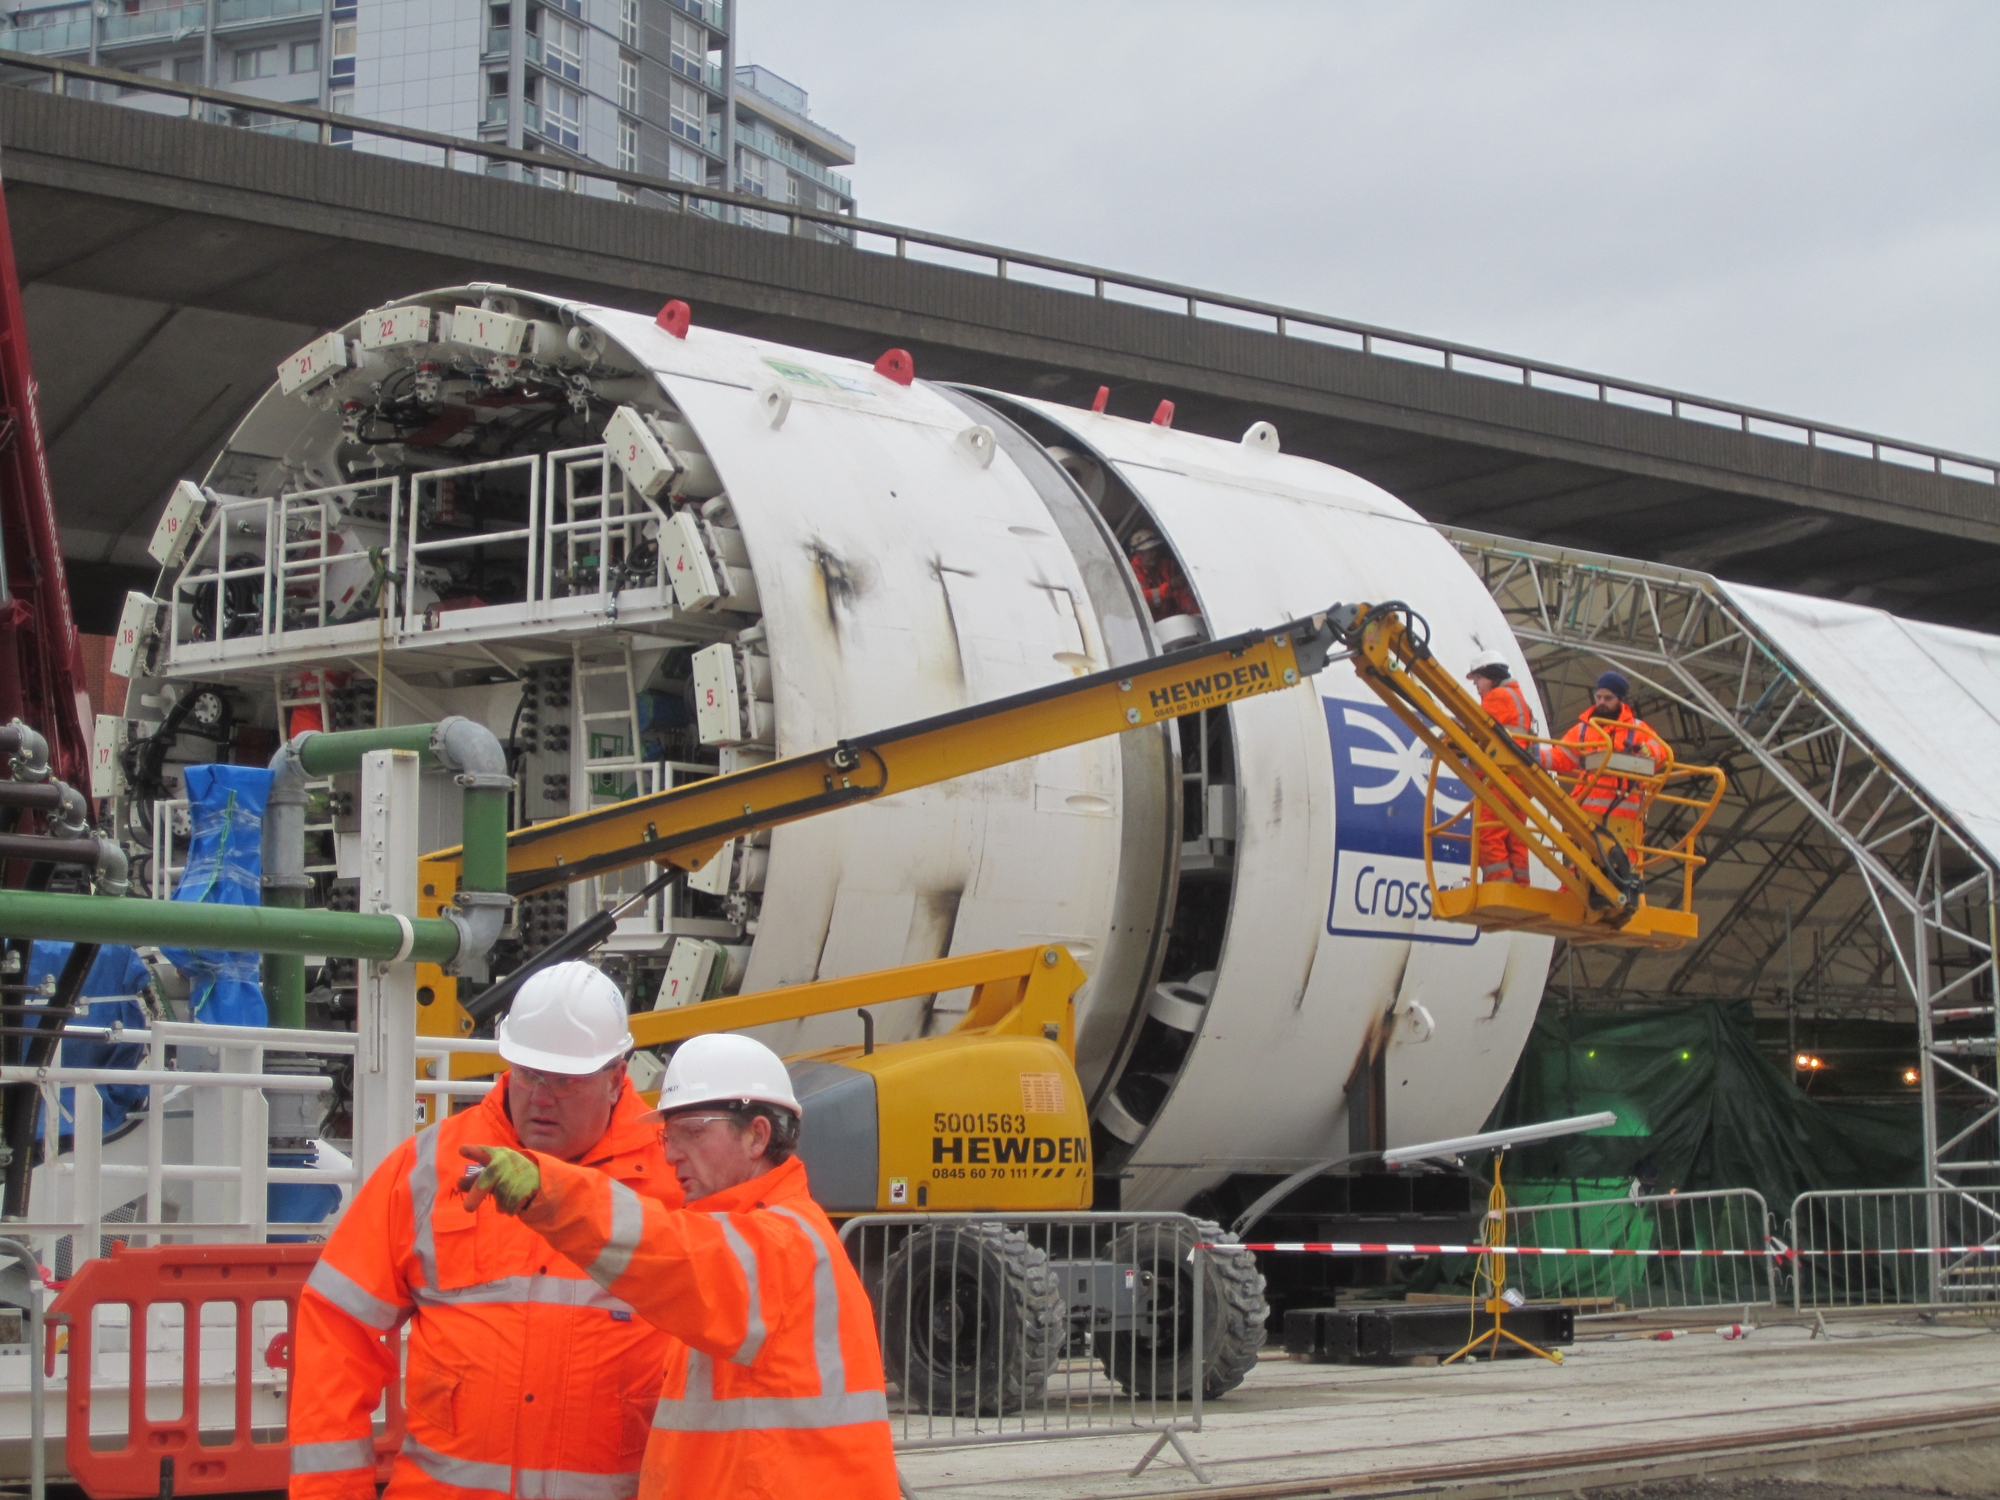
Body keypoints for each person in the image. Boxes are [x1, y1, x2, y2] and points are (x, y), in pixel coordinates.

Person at [289, 963, 680, 1500]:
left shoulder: (675, 1182)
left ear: (617, 1076)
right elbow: (338, 1327)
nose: (542, 1097)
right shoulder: (431, 1166)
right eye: (528, 1074)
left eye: (565, 1080)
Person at [457, 1033, 900, 1500]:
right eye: (668, 1135)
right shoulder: (766, 1234)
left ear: (757, 1135)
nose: (669, 1154)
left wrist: (550, 1191)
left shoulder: (781, 1244)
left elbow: (672, 1253)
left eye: (693, 1131)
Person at [1541, 670, 1673, 849]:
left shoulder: (1637, 729)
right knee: (1579, 869)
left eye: (1608, 698)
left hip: (1624, 820)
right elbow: (1560, 758)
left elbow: (1664, 753)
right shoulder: (1583, 730)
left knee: (1619, 871)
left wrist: (1649, 751)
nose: (1601, 702)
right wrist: (1532, 753)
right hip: (1586, 814)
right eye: (1599, 697)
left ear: (1620, 700)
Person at [1464, 652, 1537, 885]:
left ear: (1491, 676)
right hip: (1518, 780)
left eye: (1478, 680)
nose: (1476, 686)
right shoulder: (1518, 698)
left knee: (1489, 833)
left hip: (1500, 779)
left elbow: (1479, 732)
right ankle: (1519, 887)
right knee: (1515, 838)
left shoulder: (1497, 697)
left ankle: (1500, 887)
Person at [1127, 528, 1199, 621]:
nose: (1155, 553)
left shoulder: (1166, 566)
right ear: (1139, 554)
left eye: (1155, 550)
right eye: (1150, 551)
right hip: (1151, 629)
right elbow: (1141, 600)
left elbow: (1182, 596)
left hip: (1175, 624)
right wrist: (1170, 587)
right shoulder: (1131, 572)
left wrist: (1197, 614)